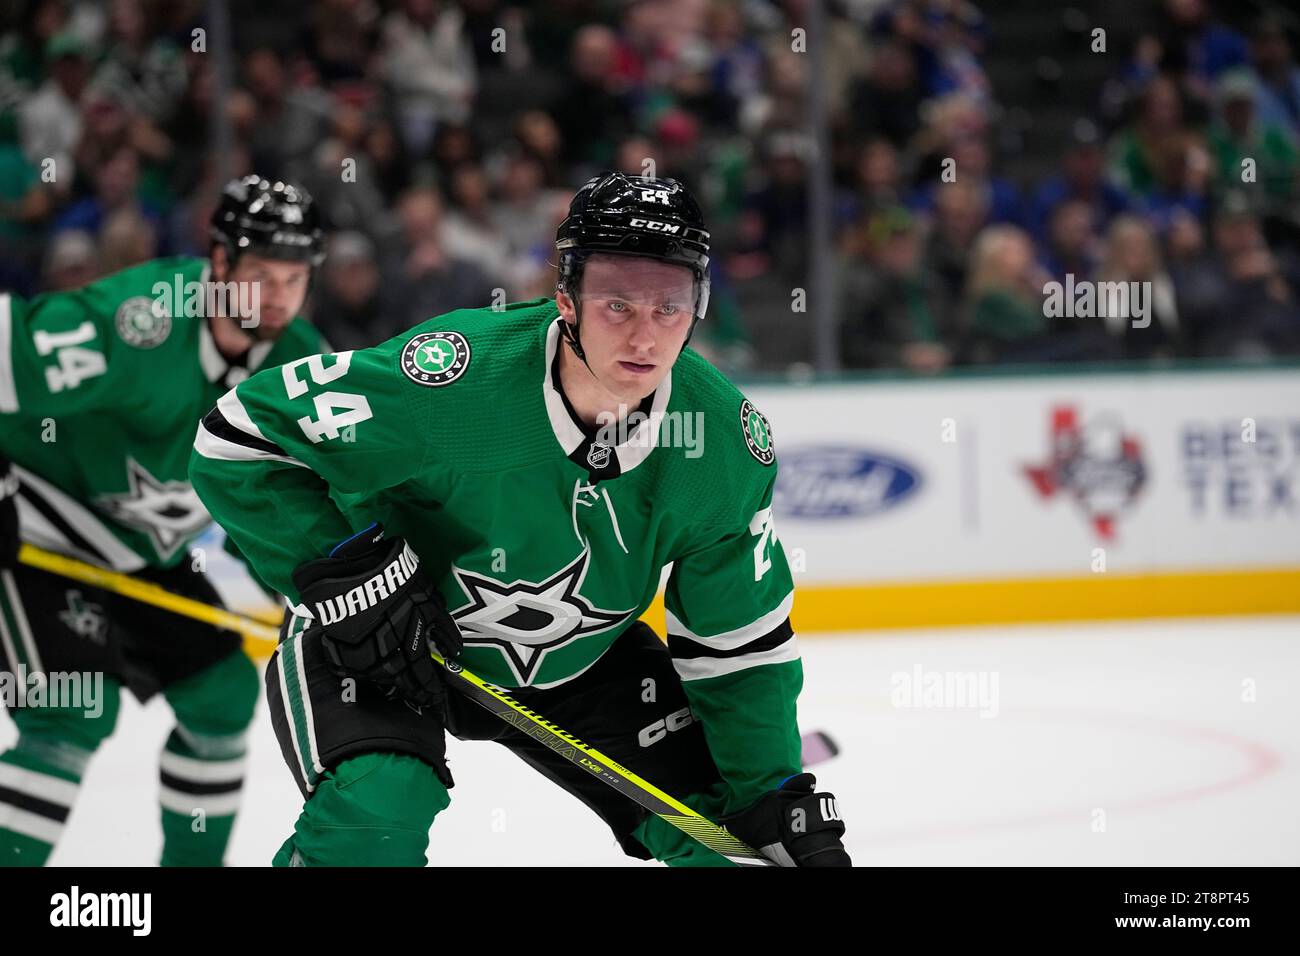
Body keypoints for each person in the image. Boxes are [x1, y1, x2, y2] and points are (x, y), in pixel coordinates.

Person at [189, 172, 850, 867]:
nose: (644, 336)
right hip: (387, 636)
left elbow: (737, 643)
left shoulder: (719, 444)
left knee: (741, 848)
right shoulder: (454, 380)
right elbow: (238, 438)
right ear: (565, 296)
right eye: (616, 303)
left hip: (584, 660)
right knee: (375, 819)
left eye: (669, 307)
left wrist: (770, 789)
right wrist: (350, 572)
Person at [0, 176, 331, 866]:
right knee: (73, 710)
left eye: (294, 278)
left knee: (223, 697)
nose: (277, 295)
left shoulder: (301, 359)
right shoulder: (141, 321)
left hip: (144, 548)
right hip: (36, 521)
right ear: (218, 265)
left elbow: (340, 487)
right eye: (260, 275)